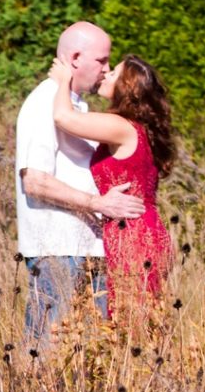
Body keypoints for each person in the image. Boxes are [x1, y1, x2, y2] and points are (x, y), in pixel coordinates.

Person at [15, 22, 144, 343]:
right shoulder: (44, 102)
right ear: (75, 58)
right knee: (45, 351)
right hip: (58, 250)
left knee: (94, 354)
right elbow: (35, 181)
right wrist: (98, 204)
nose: (107, 69)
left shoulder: (75, 107)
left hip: (87, 249)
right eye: (101, 60)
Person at [47, 53, 175, 321]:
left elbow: (63, 118)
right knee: (143, 320)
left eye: (114, 73)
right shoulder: (139, 129)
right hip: (144, 229)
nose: (106, 74)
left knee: (131, 323)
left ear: (126, 87)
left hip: (133, 232)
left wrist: (64, 81)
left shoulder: (122, 126)